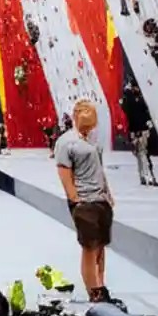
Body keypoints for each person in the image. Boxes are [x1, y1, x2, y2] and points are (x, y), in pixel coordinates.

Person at [56, 100, 116, 304]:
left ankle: (100, 284)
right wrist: (74, 198)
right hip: (84, 202)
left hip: (100, 199)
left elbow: (99, 167)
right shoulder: (66, 142)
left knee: (100, 247)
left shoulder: (93, 141)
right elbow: (64, 171)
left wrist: (107, 192)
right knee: (89, 248)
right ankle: (94, 292)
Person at [120, 81, 158, 187]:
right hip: (142, 130)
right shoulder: (140, 100)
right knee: (143, 154)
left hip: (134, 131)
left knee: (140, 154)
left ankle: (143, 176)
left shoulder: (126, 100)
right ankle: (148, 176)